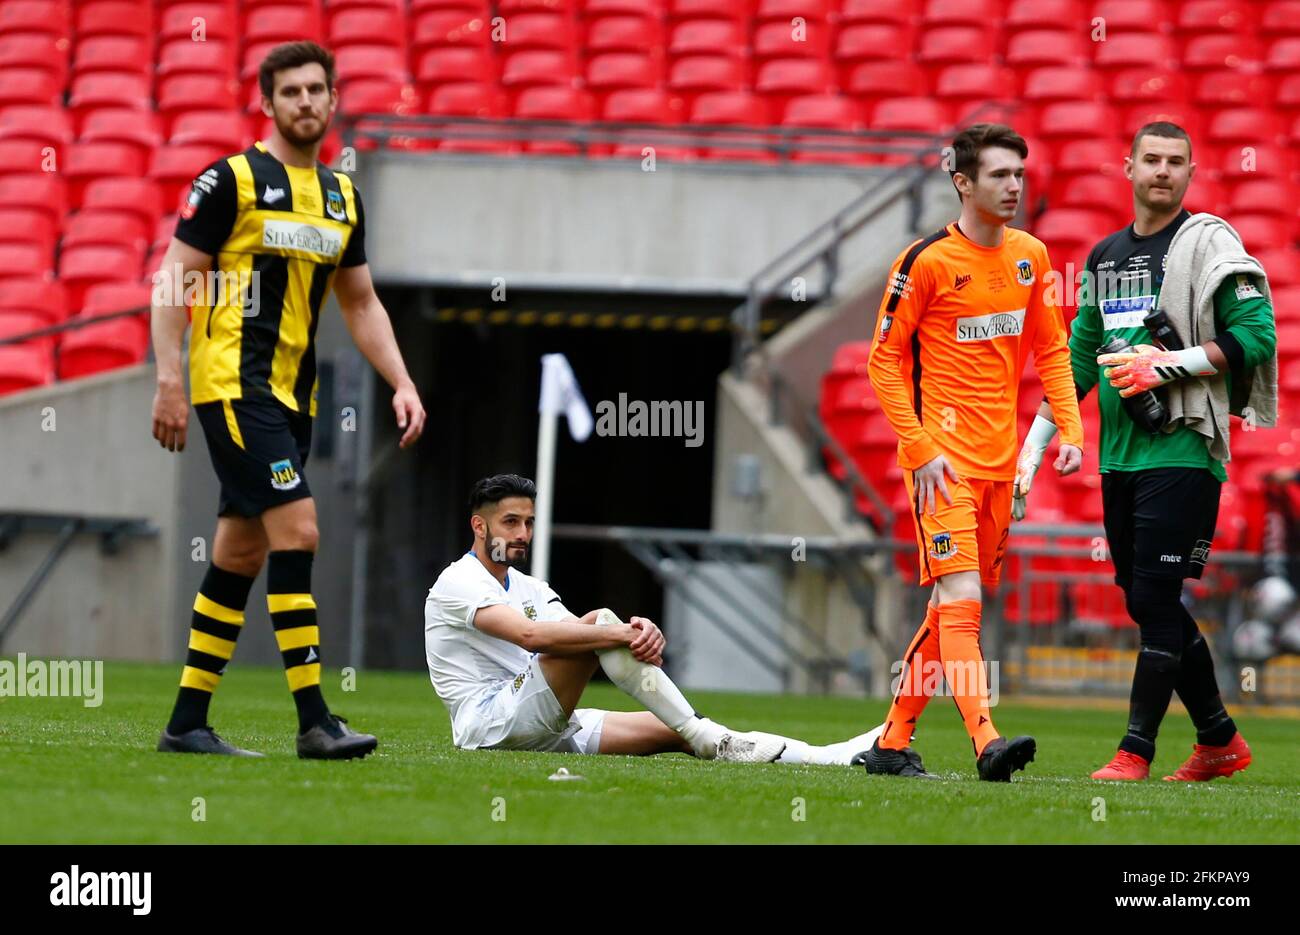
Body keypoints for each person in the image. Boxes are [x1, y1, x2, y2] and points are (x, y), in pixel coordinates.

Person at [151, 42, 427, 759]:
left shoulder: (341, 197)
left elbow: (361, 302)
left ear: (333, 100)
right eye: (291, 92)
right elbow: (175, 279)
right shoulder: (230, 182)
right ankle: (314, 719)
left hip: (292, 400)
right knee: (299, 532)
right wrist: (169, 379)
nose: (305, 102)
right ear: (266, 104)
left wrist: (401, 380)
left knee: (240, 552)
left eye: (316, 90)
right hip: (232, 387)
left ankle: (186, 722)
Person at [1020, 122, 1277, 781]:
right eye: (1151, 159)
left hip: (1185, 449)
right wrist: (1030, 455)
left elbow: (1256, 338)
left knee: (1155, 595)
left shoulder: (1209, 243)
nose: (1162, 170)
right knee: (1145, 599)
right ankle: (1219, 737)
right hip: (1120, 457)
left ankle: (1136, 750)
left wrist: (1170, 367)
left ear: (1191, 173)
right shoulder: (1105, 256)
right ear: (1127, 166)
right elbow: (1075, 362)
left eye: (1176, 162)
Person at [863, 124, 1085, 781]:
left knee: (947, 609)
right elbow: (883, 362)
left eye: (1019, 174)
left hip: (999, 465)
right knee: (963, 597)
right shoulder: (925, 261)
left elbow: (1051, 347)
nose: (1015, 185)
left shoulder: (1031, 257)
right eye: (999, 175)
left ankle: (891, 743)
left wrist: (1069, 431)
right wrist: (920, 444)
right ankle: (985, 739)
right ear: (963, 182)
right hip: (941, 466)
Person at [425, 474, 881, 763]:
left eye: (528, 522)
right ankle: (702, 732)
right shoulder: (457, 580)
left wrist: (637, 630)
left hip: (545, 719)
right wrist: (615, 630)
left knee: (674, 731)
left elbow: (573, 632)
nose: (522, 533)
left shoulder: (528, 586)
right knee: (605, 623)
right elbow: (530, 636)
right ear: (479, 527)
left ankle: (834, 757)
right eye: (510, 522)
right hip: (489, 727)